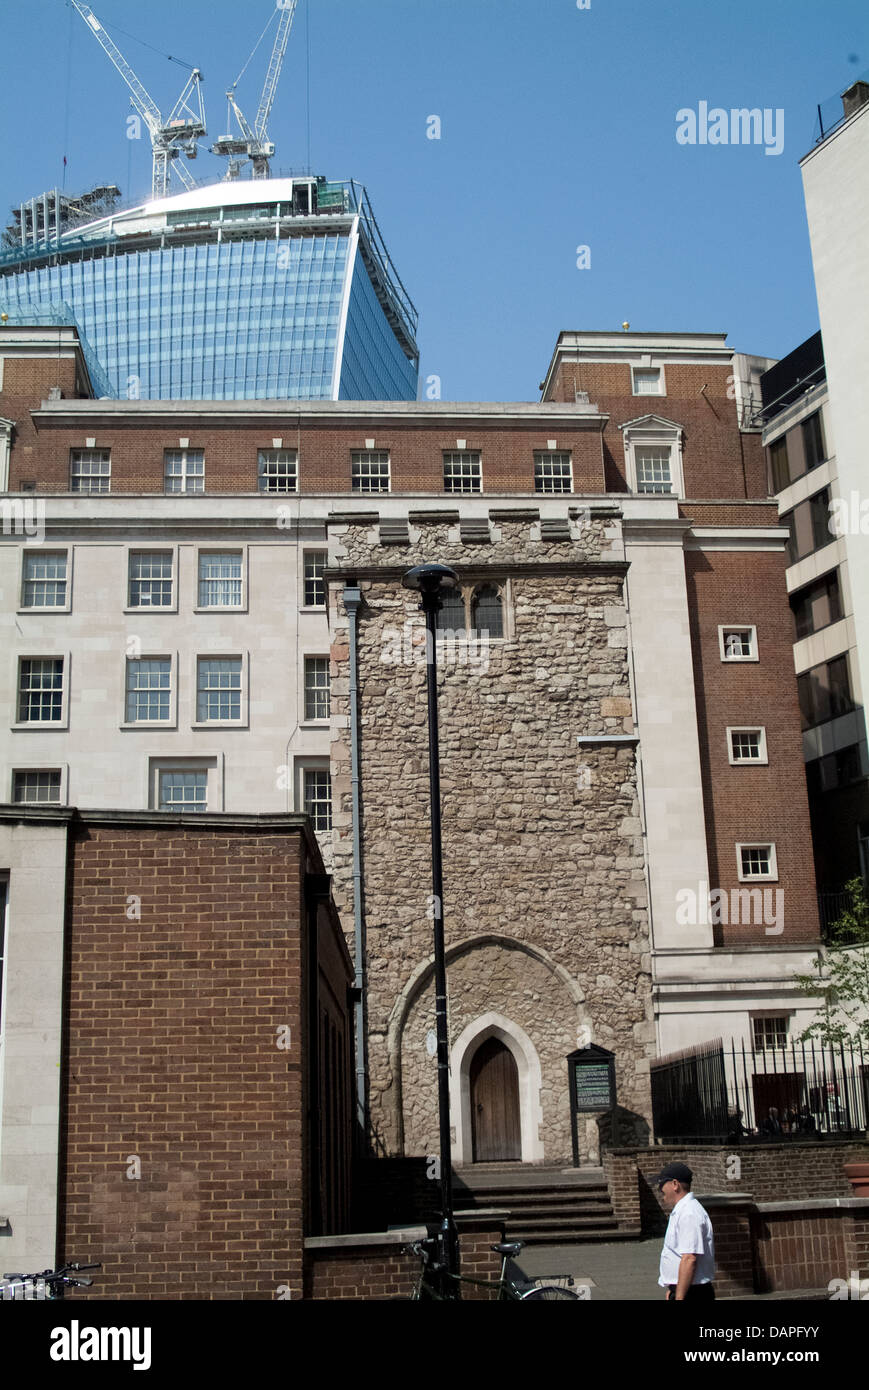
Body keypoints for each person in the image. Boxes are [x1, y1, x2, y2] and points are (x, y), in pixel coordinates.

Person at [654, 1162, 716, 1302]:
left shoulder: (689, 1213)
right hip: (685, 1289)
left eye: (662, 1184)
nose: (660, 1189)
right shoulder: (683, 1210)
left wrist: (680, 1296)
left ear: (675, 1184)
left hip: (693, 1292)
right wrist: (673, 1290)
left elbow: (689, 1258)